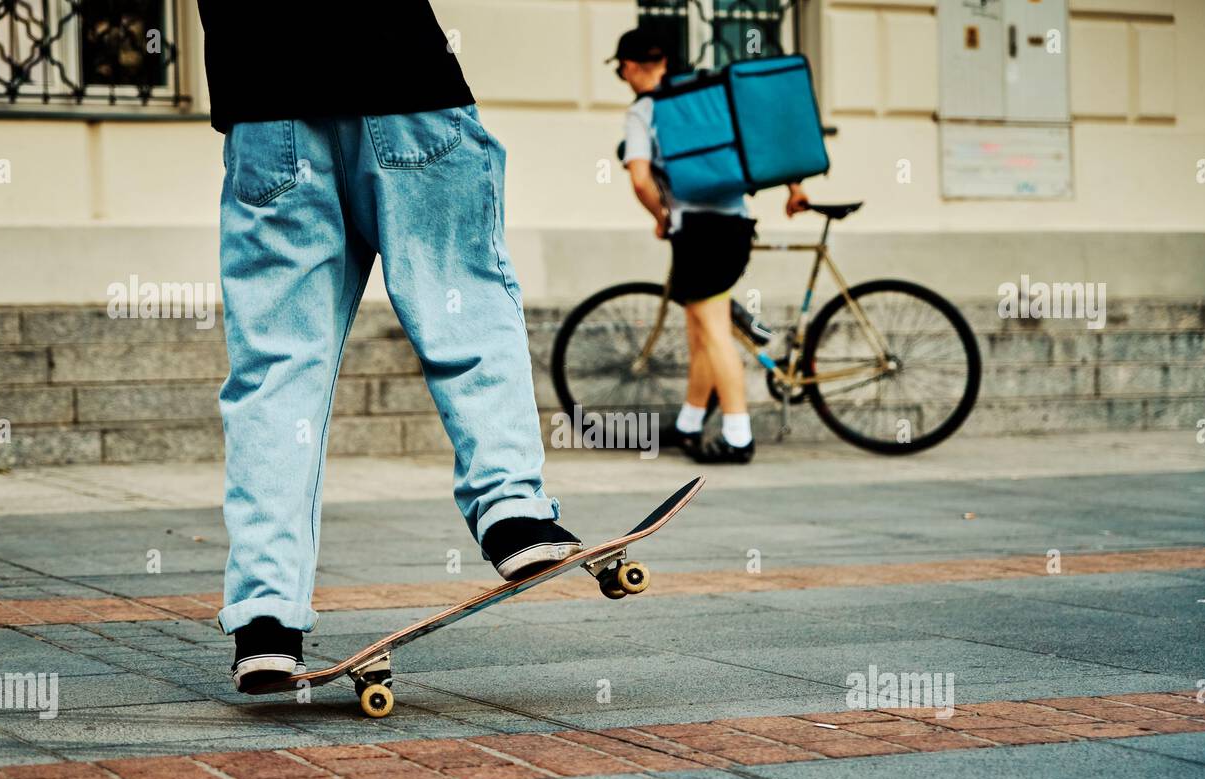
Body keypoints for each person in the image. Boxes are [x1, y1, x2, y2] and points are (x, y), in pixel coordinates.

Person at [198, 2, 581, 691]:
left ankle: (265, 617)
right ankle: (513, 513)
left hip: (263, 109)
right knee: (460, 304)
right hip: (400, 82)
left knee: (274, 372)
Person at [610, 28, 812, 464]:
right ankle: (690, 422)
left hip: (696, 233)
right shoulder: (711, 93)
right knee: (700, 329)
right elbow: (764, 135)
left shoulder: (646, 111)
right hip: (735, 226)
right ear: (665, 61)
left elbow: (641, 179)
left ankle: (738, 435)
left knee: (714, 332)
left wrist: (661, 218)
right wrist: (794, 186)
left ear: (627, 67)